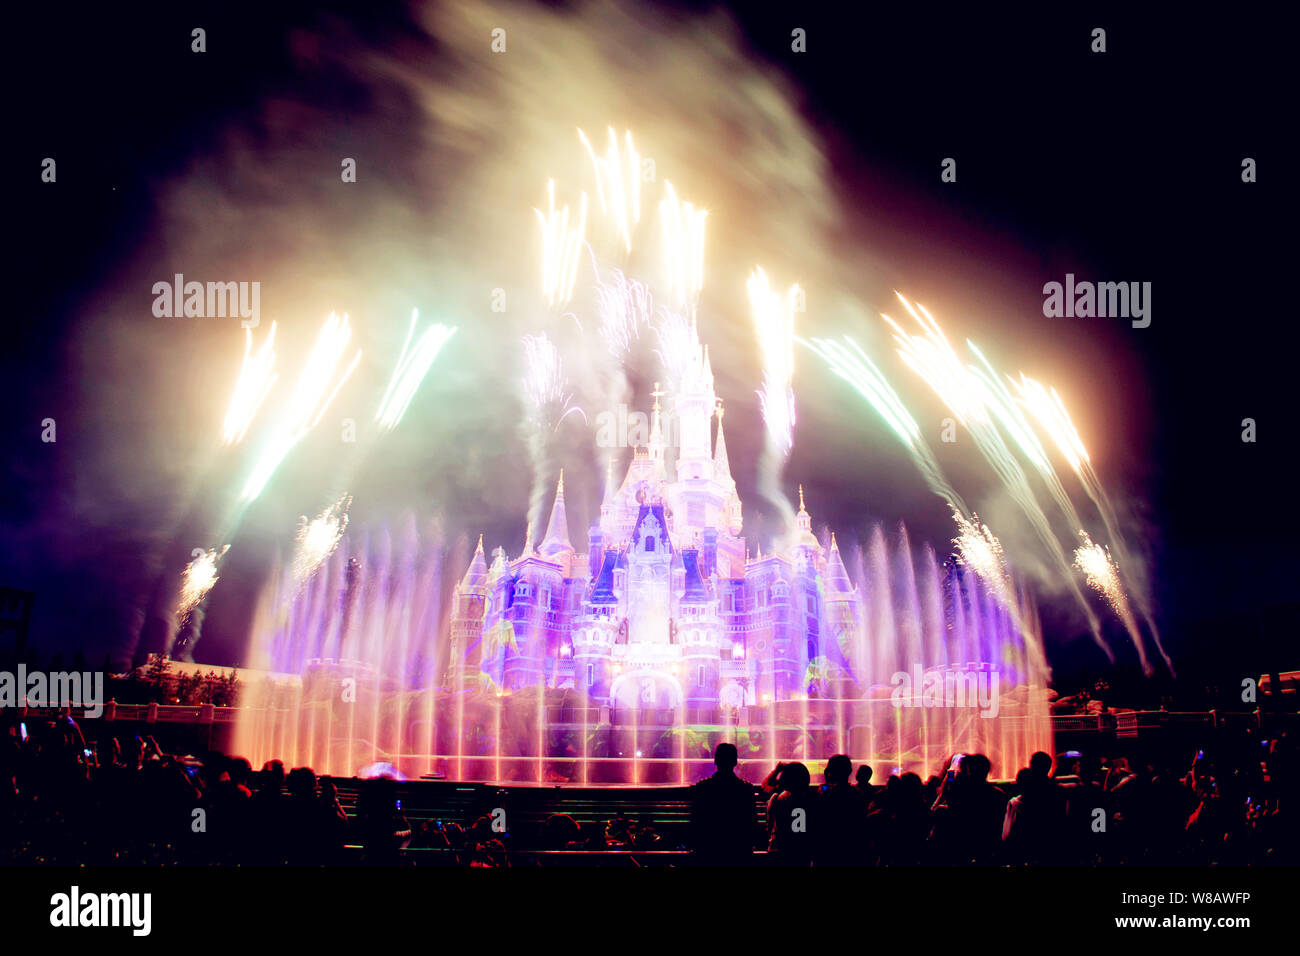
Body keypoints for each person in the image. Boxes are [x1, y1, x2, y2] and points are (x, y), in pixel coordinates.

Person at [691, 742, 756, 865]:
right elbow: (751, 822)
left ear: (716, 761)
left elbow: (696, 820)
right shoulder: (745, 789)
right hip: (738, 850)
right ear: (735, 762)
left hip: (709, 850)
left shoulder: (703, 788)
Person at [816, 754, 867, 865]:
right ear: (850, 771)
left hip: (830, 852)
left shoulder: (826, 797)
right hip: (853, 851)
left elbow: (820, 826)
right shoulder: (858, 795)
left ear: (830, 772)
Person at [766, 761, 815, 866]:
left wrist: (776, 771)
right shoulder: (811, 799)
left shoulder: (777, 799)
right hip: (801, 851)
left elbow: (765, 786)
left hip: (780, 850)